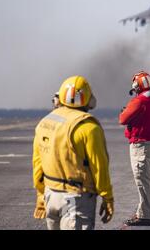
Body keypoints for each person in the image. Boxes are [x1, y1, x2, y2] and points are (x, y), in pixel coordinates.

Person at [32, 75, 114, 230]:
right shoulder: (89, 128)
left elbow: (38, 166)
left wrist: (40, 196)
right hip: (76, 200)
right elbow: (99, 167)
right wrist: (107, 197)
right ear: (88, 99)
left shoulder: (45, 123)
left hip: (51, 196)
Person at [119, 71, 150, 226]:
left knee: (142, 181)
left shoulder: (139, 101)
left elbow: (123, 119)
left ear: (138, 86)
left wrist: (127, 109)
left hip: (140, 145)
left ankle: (145, 216)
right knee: (148, 181)